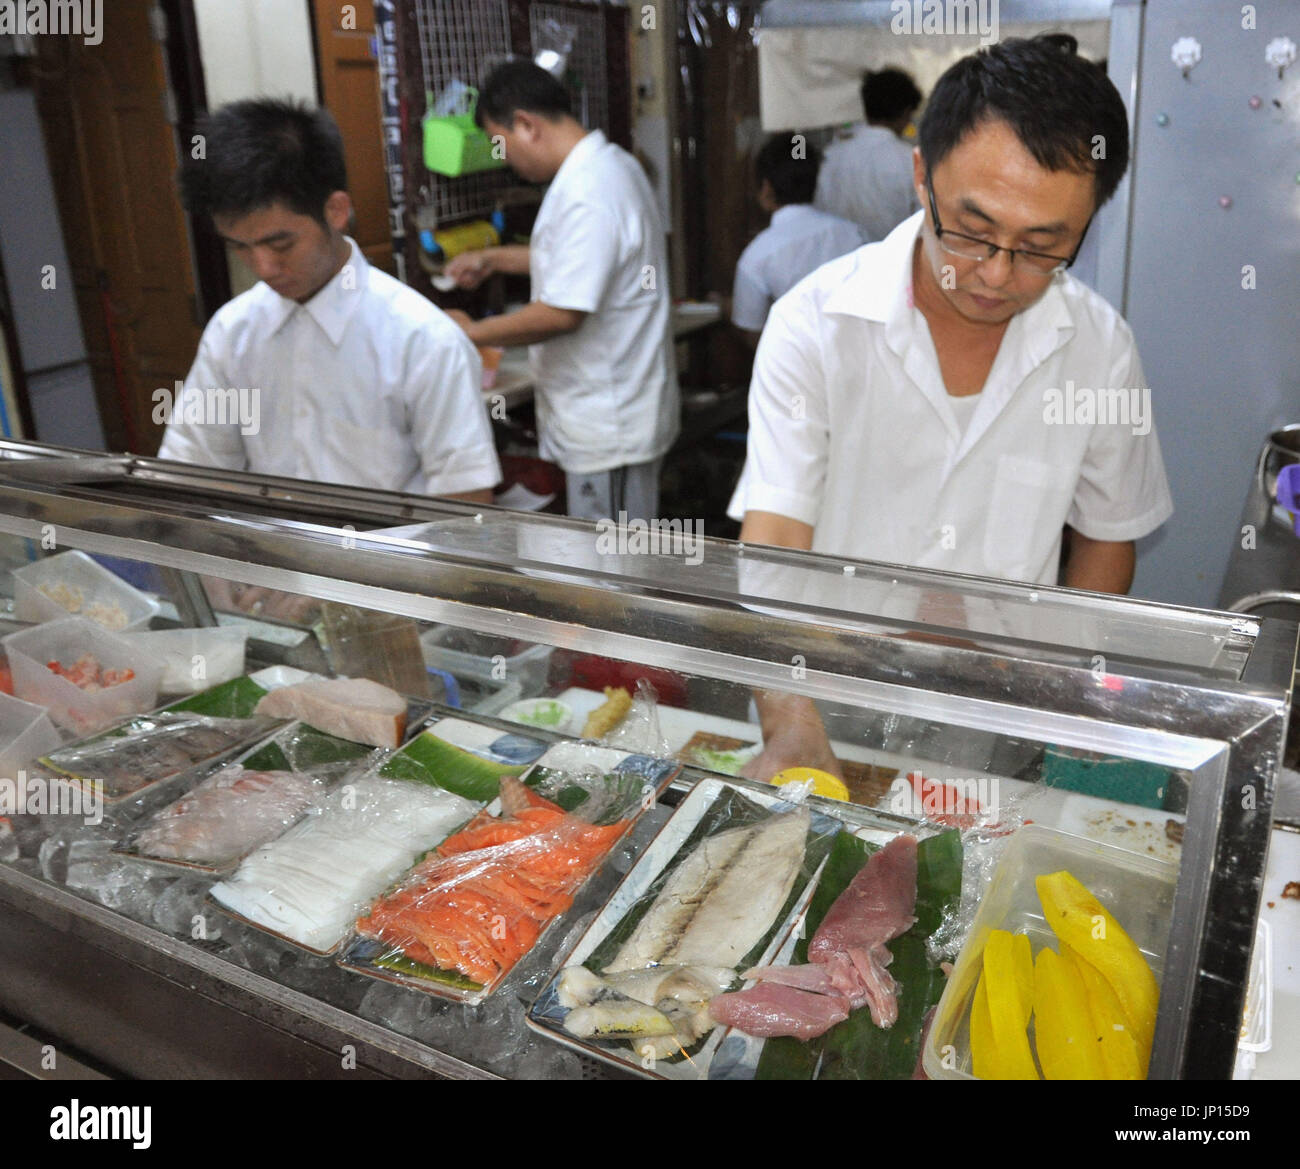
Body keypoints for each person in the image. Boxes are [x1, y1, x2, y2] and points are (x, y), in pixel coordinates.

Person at [731, 35, 1174, 782]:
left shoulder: (1099, 347)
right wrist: (791, 720)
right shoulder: (818, 323)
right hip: (823, 693)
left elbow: (1108, 539)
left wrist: (1053, 692)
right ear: (919, 175)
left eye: (1042, 246)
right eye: (972, 231)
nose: (997, 274)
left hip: (996, 717)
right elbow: (775, 539)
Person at [158, 99, 500, 505]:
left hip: (385, 567)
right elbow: (195, 474)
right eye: (240, 247)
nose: (263, 267)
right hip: (267, 564)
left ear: (336, 210)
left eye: (280, 242)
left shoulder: (422, 340)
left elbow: (466, 504)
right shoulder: (232, 334)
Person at [444, 60, 678, 523]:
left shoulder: (588, 189)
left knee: (616, 568)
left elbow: (562, 313)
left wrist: (472, 332)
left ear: (526, 126)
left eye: (500, 143)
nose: (504, 158)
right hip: (610, 412)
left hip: (608, 422)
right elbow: (579, 262)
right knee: (612, 561)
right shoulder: (610, 166)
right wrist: (493, 259)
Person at [729, 134, 868, 348]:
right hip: (855, 357)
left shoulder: (757, 255)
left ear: (766, 189)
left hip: (791, 368)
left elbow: (750, 329)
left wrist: (723, 308)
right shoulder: (854, 234)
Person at [814, 67, 922, 242]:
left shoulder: (832, 157)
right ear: (906, 112)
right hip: (892, 260)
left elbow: (820, 208)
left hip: (840, 260)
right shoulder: (909, 160)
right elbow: (922, 221)